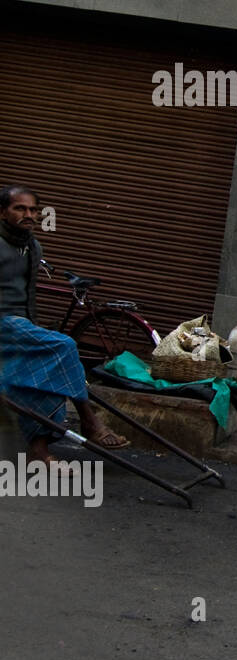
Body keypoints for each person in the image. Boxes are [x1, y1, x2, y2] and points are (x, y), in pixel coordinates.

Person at [0, 184, 129, 461]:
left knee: (50, 375)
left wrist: (32, 327)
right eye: (19, 208)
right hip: (3, 323)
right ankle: (89, 420)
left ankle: (38, 450)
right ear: (2, 212)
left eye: (33, 210)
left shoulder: (33, 246)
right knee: (65, 345)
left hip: (21, 326)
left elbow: (29, 294)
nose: (29, 214)